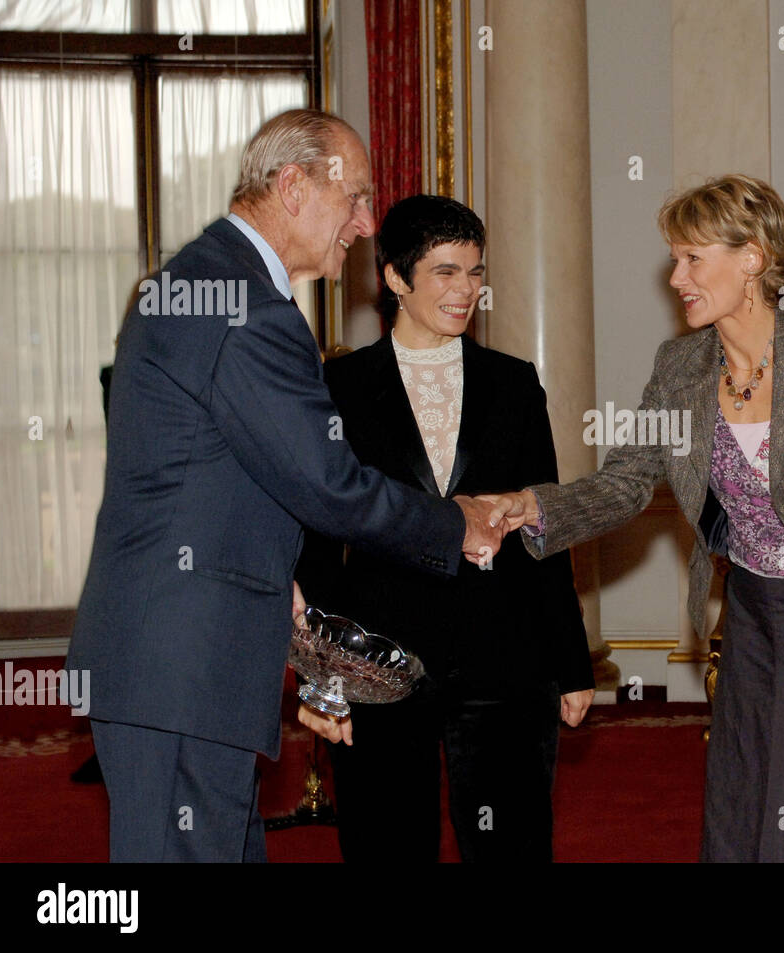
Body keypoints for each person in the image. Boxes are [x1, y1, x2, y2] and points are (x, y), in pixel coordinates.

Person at [65, 109, 505, 863]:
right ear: (294, 185)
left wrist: (295, 618)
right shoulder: (242, 303)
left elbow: (219, 479)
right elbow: (325, 482)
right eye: (357, 197)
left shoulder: (210, 280)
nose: (366, 223)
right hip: (183, 665)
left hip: (184, 653)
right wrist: (454, 523)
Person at [485, 174, 784, 862]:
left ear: (753, 259)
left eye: (692, 257)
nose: (676, 276)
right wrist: (535, 505)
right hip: (755, 618)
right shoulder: (679, 369)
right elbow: (628, 481)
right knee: (751, 797)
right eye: (675, 258)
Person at [295, 194, 594, 862]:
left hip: (506, 658)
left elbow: (542, 525)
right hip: (380, 657)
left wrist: (569, 661)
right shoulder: (338, 385)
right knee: (387, 846)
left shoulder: (513, 383)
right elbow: (316, 542)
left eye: (476, 272)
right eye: (446, 271)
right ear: (397, 278)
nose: (466, 290)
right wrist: (322, 678)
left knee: (511, 845)